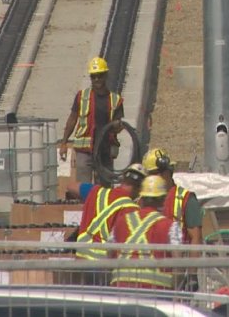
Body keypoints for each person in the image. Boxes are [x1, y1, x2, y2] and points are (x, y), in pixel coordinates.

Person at [71, 163, 146, 284]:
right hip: (102, 266)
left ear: (122, 180)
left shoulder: (97, 192)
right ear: (140, 190)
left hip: (80, 261)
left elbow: (72, 186)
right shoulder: (131, 209)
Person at [60, 57, 124, 191]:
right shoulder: (82, 96)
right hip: (85, 151)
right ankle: (85, 210)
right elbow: (72, 119)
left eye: (99, 76)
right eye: (93, 76)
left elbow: (118, 126)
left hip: (105, 151)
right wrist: (64, 143)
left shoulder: (115, 100)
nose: (97, 79)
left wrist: (118, 127)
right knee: (84, 189)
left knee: (104, 190)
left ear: (105, 76)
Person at [108, 175, 182, 289]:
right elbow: (178, 263)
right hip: (156, 293)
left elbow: (109, 254)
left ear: (141, 199)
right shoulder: (170, 226)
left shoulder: (121, 221)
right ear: (163, 200)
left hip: (121, 289)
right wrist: (176, 289)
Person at [143, 147, 204, 246]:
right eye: (149, 175)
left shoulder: (186, 199)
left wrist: (192, 262)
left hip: (176, 259)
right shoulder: (143, 199)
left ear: (167, 172)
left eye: (155, 174)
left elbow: (196, 239)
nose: (152, 179)